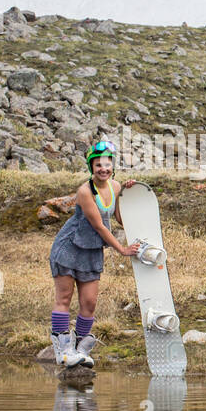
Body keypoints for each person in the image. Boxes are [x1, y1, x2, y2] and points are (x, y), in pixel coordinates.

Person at [47, 140, 140, 369]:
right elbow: (100, 226)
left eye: (107, 164)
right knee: (65, 299)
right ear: (91, 167)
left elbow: (118, 218)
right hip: (69, 247)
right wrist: (122, 250)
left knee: (89, 302)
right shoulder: (84, 191)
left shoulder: (115, 186)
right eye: (98, 165)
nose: (103, 169)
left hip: (92, 251)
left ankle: (79, 349)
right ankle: (62, 349)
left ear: (112, 166)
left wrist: (129, 192)